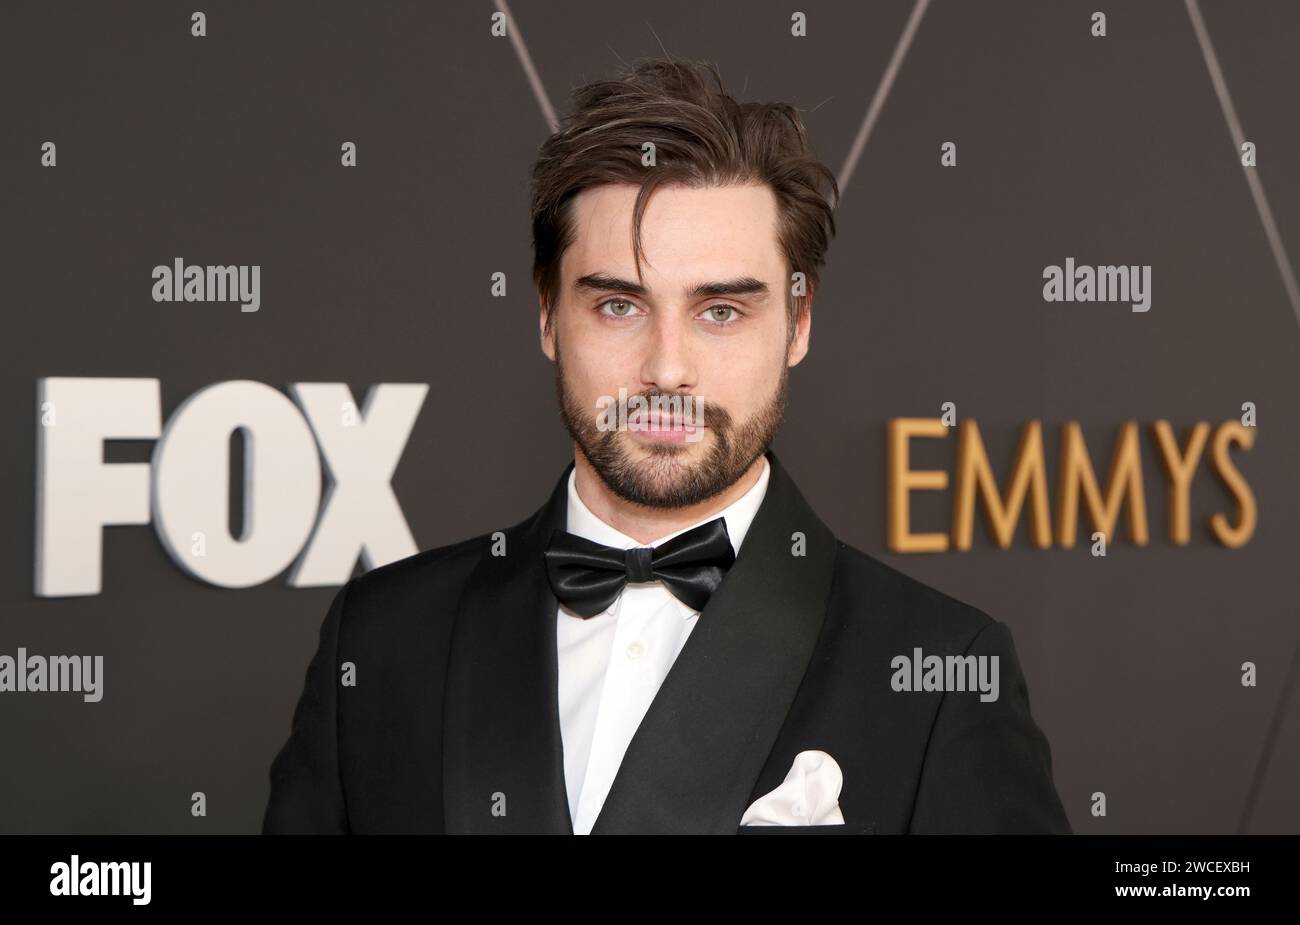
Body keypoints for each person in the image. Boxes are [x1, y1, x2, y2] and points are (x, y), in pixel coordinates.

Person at [263, 57, 1070, 834]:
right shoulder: (380, 640)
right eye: (619, 305)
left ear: (800, 322)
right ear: (547, 314)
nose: (667, 368)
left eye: (721, 310)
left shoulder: (941, 671)